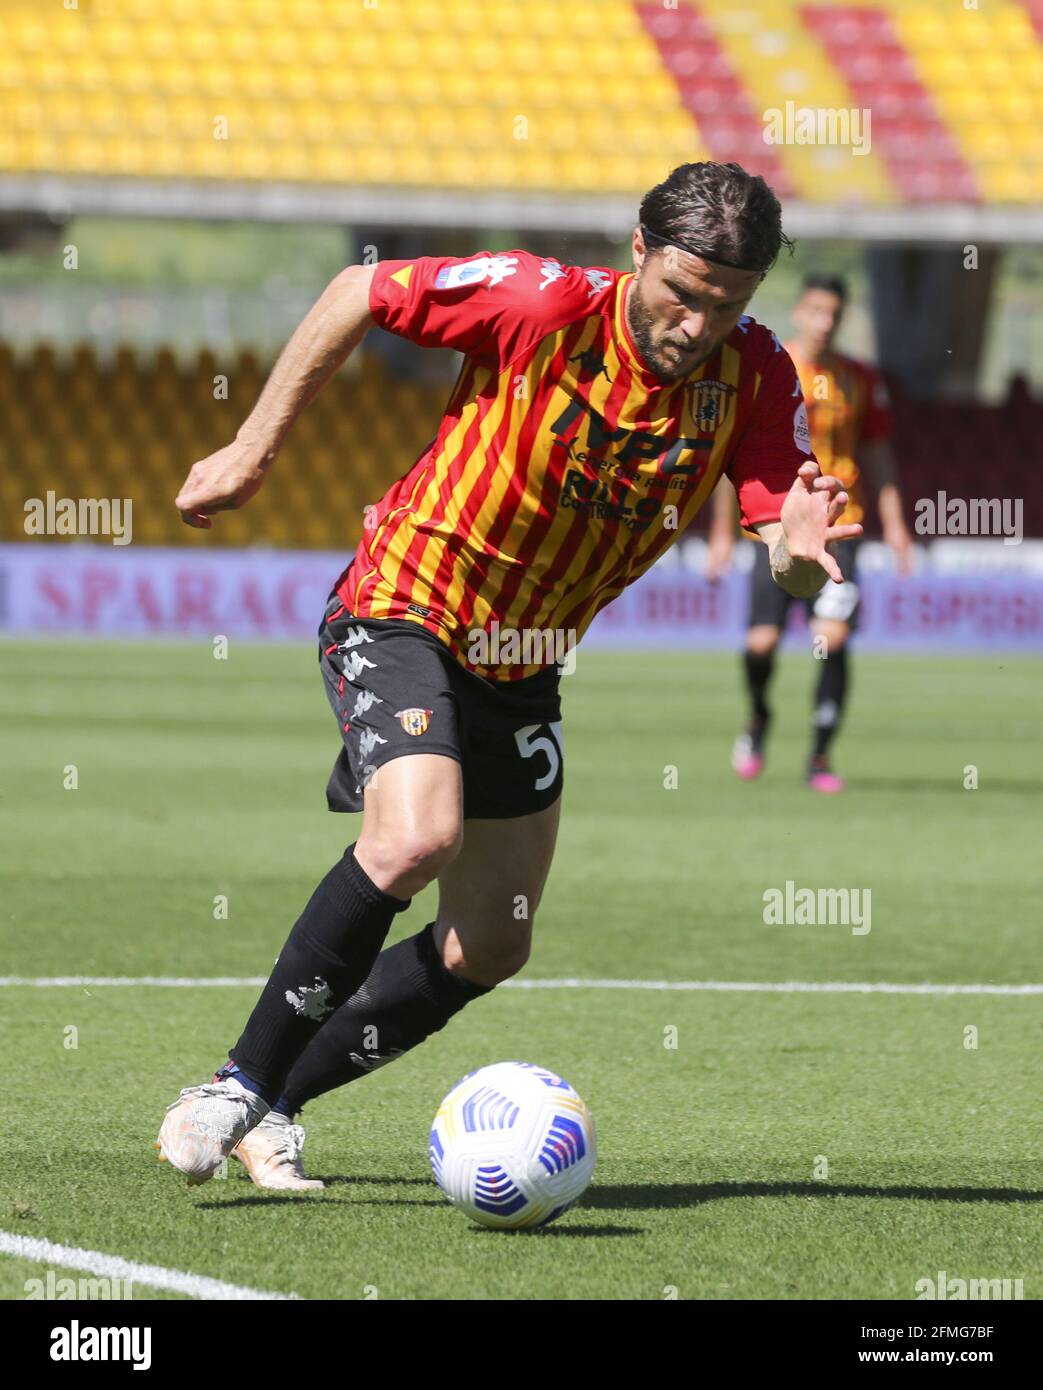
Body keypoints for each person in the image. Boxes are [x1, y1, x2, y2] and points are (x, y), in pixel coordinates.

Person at [157, 162, 860, 1190]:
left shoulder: (756, 373)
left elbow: (782, 552)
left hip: (524, 664)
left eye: (726, 304)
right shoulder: (538, 302)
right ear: (635, 251)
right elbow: (358, 289)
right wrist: (254, 447)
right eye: (680, 294)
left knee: (490, 943)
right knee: (414, 835)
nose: (696, 323)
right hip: (405, 601)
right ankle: (230, 1084)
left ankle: (277, 1105)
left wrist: (798, 557)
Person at [707, 273, 912, 793]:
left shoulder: (861, 379)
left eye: (835, 314)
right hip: (773, 529)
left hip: (839, 528)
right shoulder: (774, 368)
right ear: (800, 310)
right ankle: (757, 721)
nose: (825, 322)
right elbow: (737, 456)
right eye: (817, 310)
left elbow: (879, 453)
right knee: (761, 644)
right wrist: (723, 535)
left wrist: (895, 526)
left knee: (832, 639)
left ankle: (820, 756)